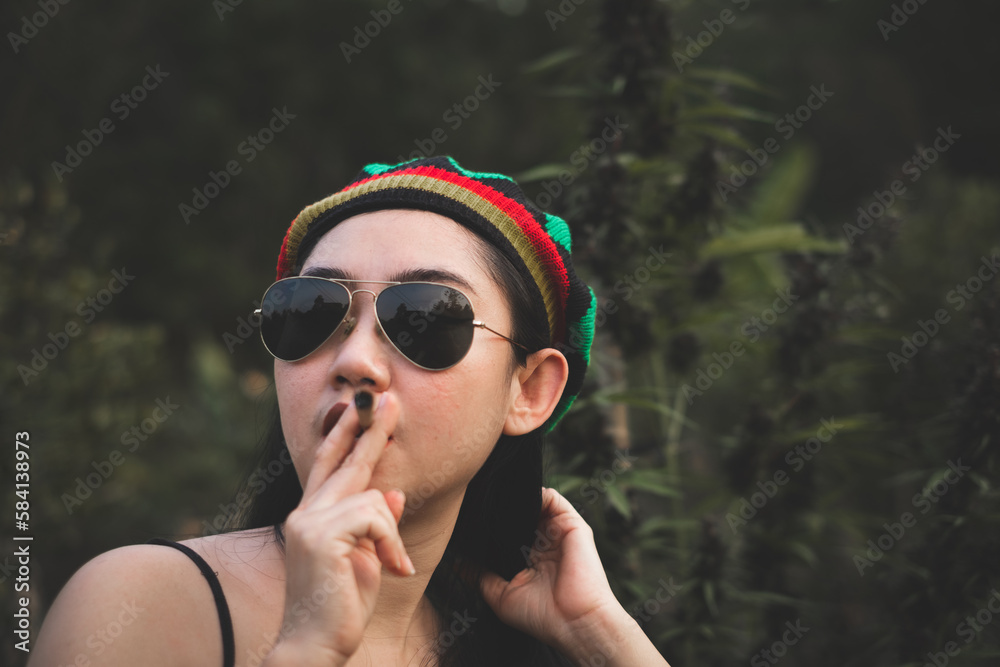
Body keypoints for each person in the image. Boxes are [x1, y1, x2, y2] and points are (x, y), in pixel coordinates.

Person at [30, 156, 670, 667]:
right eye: (310, 311)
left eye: (425, 318)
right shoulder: (144, 602)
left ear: (529, 391)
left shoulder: (511, 641)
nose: (356, 360)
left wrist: (602, 636)